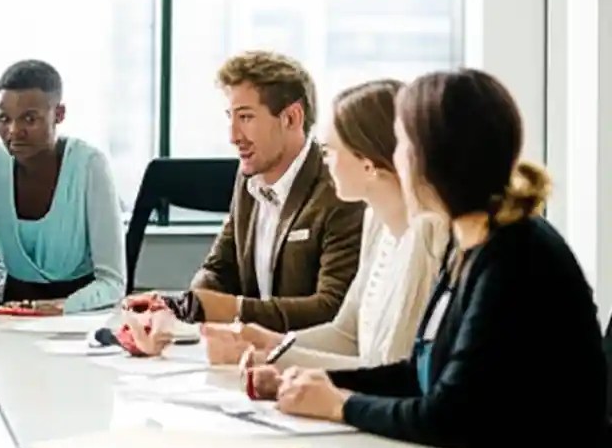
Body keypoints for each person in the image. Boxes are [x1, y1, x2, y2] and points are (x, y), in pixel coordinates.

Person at [256, 69, 607, 448]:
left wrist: (338, 405)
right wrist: (312, 381)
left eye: (403, 144)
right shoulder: (469, 239)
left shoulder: (515, 255)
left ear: (434, 158)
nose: (395, 157)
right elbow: (418, 373)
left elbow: (448, 414)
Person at [191, 80, 448, 368]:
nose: (324, 162)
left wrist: (272, 360)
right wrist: (265, 341)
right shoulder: (377, 221)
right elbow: (346, 335)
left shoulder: (427, 236)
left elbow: (389, 371)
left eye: (329, 151)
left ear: (368, 164)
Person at [125, 51, 365, 333]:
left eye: (246, 117)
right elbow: (218, 269)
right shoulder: (249, 177)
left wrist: (232, 310)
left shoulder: (340, 190)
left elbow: (332, 310)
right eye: (231, 117)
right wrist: (188, 308)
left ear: (291, 117)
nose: (233, 136)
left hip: (306, 362)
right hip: (249, 354)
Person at [0, 60, 125, 314]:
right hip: (14, 314)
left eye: (29, 119)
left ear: (59, 114)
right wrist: (1, 304)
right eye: (4, 118)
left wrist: (60, 307)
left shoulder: (90, 165)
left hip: (82, 314)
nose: (13, 131)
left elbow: (112, 283)